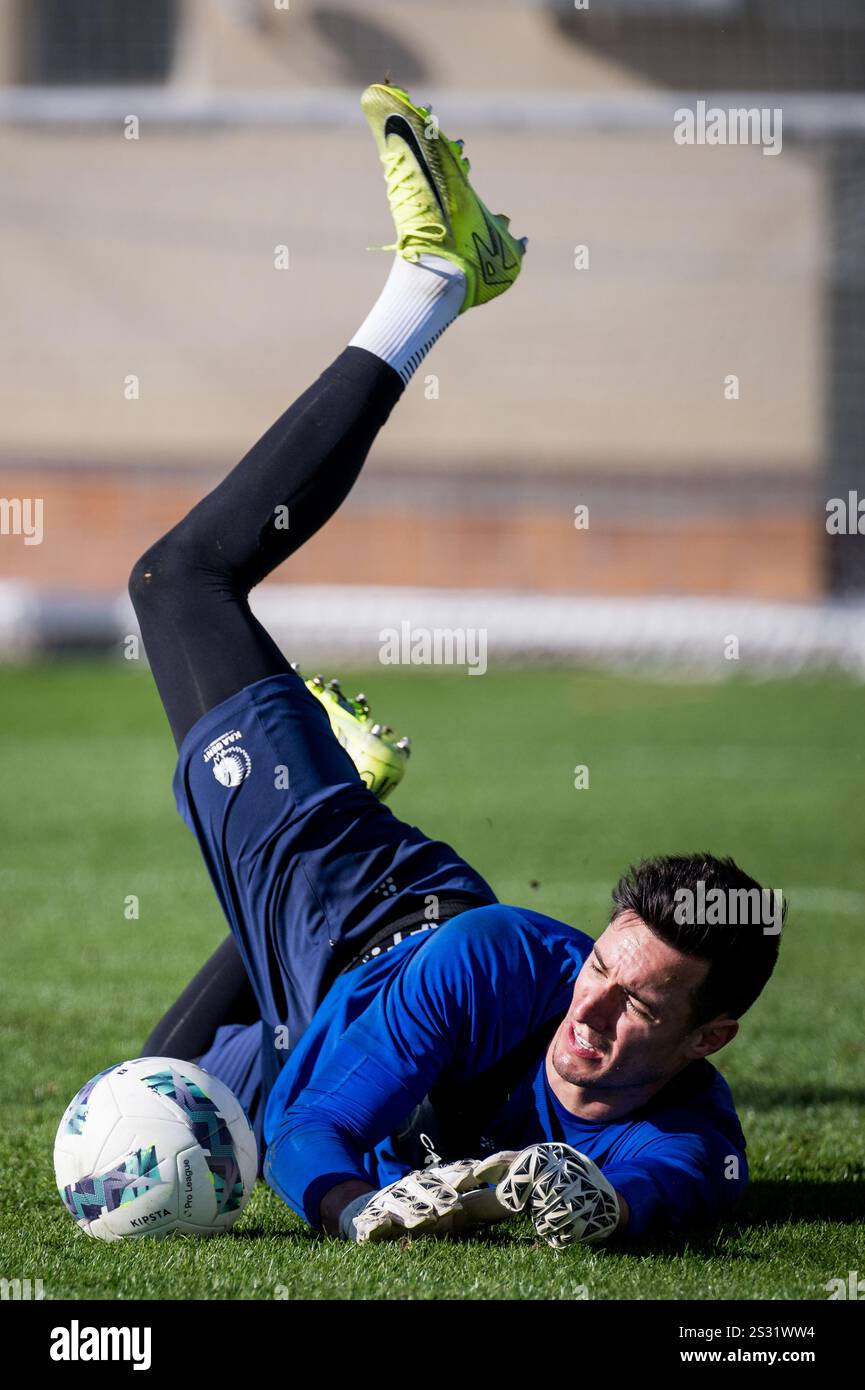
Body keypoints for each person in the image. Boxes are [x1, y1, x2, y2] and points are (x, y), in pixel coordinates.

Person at [129, 83, 782, 1247]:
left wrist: (602, 1208)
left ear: (708, 1038)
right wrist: (358, 1210)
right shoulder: (499, 966)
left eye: (641, 1002)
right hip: (353, 917)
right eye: (605, 968)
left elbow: (679, 1189)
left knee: (139, 1101)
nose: (594, 1006)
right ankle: (428, 285)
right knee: (179, 585)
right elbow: (313, 1139)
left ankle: (338, 772)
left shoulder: (684, 1131)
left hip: (304, 1014)